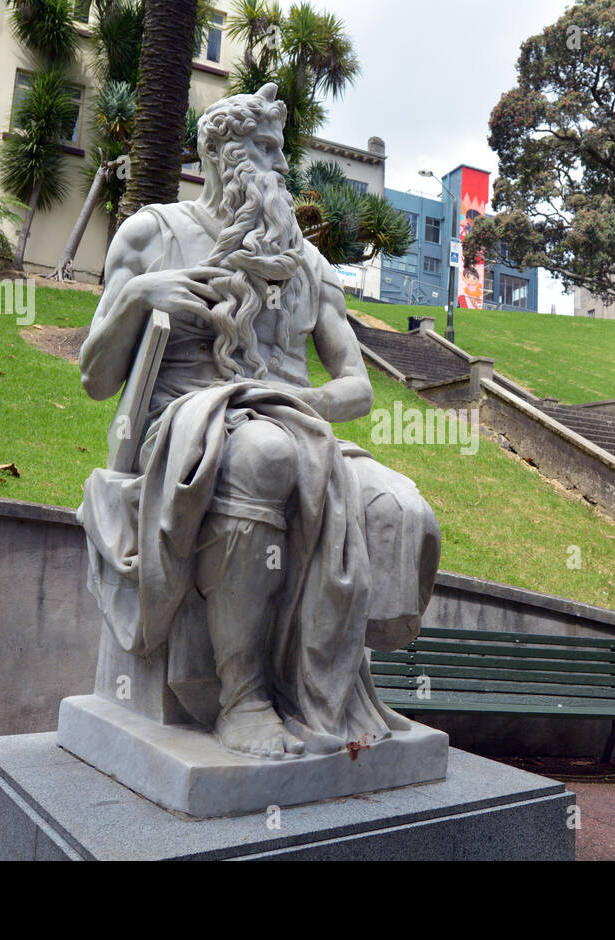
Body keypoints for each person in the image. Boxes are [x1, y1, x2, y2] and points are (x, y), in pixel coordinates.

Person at [76, 84, 440, 761]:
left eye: (281, 150)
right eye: (262, 148)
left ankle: (321, 692)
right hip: (188, 423)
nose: (277, 166)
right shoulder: (153, 234)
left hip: (298, 424)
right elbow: (96, 379)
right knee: (265, 455)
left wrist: (293, 405)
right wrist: (135, 296)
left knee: (399, 505)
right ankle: (242, 698)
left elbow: (357, 387)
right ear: (216, 151)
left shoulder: (307, 263)